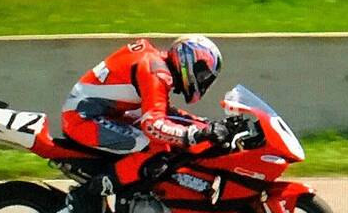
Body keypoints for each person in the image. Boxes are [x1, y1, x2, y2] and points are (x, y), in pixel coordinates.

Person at [60, 35, 228, 155]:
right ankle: (101, 188)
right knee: (149, 144)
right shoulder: (155, 71)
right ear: (189, 60)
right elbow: (153, 125)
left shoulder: (157, 64)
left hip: (103, 112)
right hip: (82, 118)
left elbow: (163, 111)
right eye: (202, 75)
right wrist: (193, 135)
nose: (202, 81)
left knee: (162, 135)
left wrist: (205, 125)